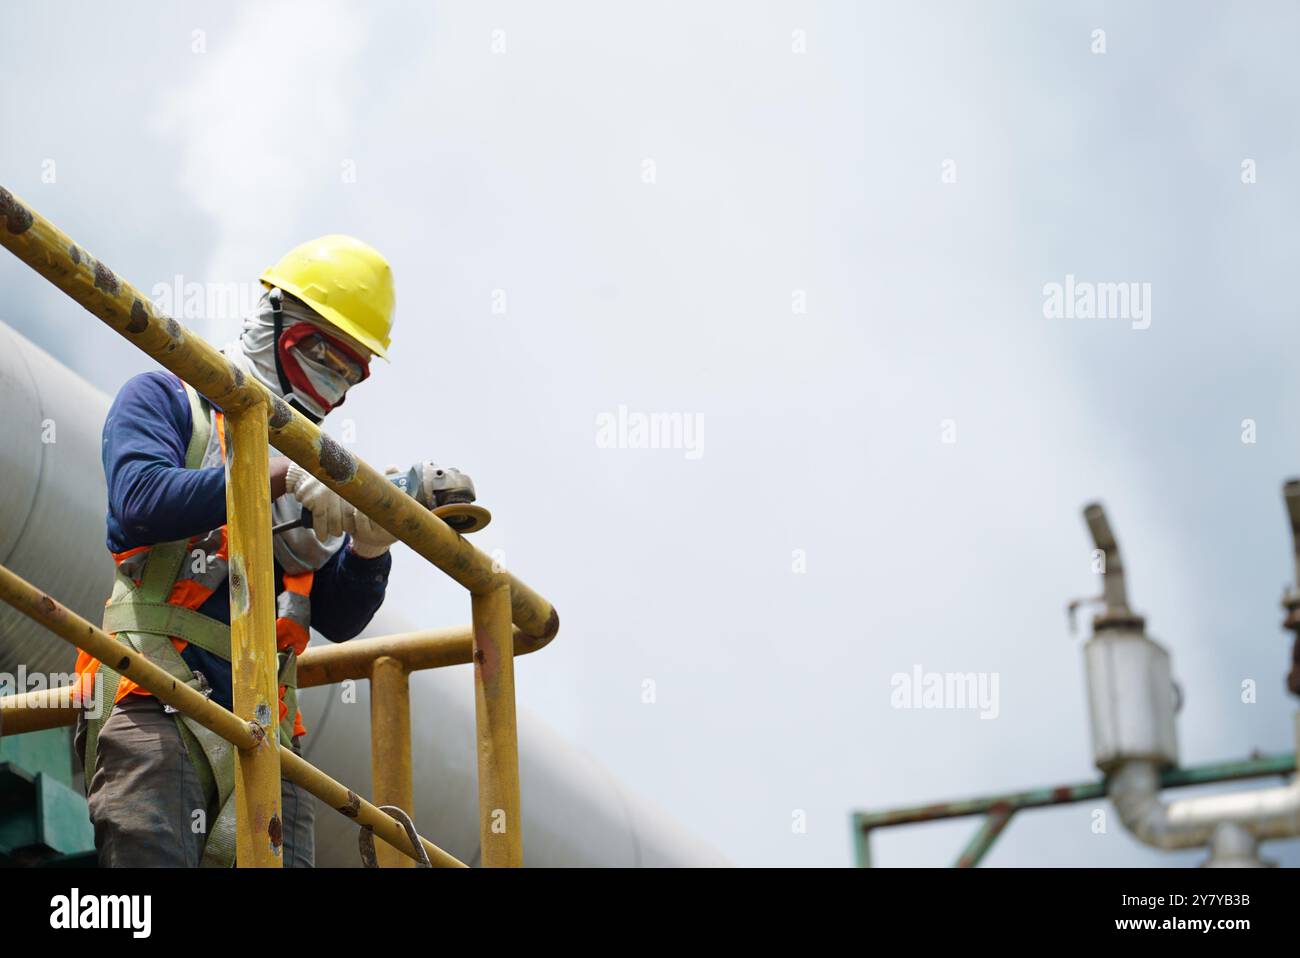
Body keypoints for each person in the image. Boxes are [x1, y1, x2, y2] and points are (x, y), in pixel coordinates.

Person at [74, 235, 399, 867]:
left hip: (268, 743)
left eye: (349, 377)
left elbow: (335, 615)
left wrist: (369, 547)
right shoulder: (166, 401)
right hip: (158, 711)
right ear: (273, 324)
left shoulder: (307, 475)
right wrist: (267, 477)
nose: (331, 391)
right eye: (325, 358)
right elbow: (139, 500)